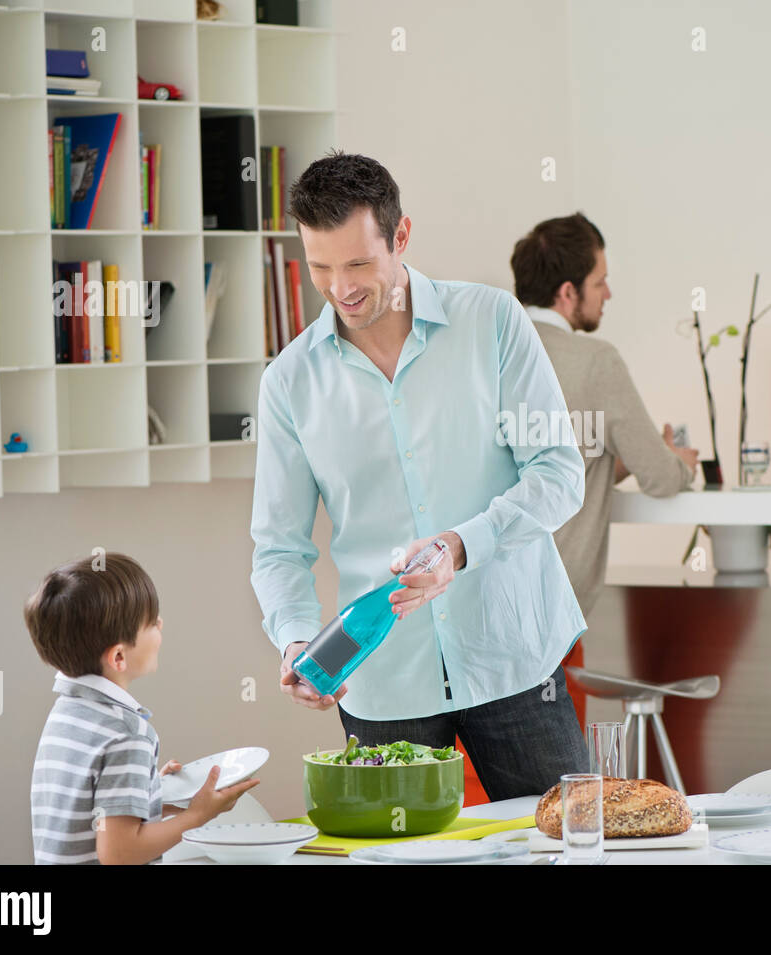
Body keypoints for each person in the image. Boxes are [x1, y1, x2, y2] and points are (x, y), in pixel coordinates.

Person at [250, 152, 589, 801]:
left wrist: (461, 546)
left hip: (514, 658)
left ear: (401, 236)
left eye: (357, 264)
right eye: (319, 266)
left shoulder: (492, 322)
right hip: (383, 683)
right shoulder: (290, 382)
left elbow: (558, 473)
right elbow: (278, 546)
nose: (339, 287)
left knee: (564, 845)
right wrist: (294, 639)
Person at [510, 212, 698, 728]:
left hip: (470, 604)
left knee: (478, 789)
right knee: (558, 786)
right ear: (568, 293)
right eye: (600, 281)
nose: (608, 293)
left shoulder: (489, 350)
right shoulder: (594, 359)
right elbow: (659, 477)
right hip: (551, 615)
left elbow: (543, 469)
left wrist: (605, 465)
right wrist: (679, 462)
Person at [24, 553, 258, 864]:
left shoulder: (66, 713)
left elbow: (93, 812)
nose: (160, 624)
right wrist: (197, 816)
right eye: (150, 623)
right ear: (119, 657)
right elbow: (120, 854)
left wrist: (149, 792)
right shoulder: (126, 734)